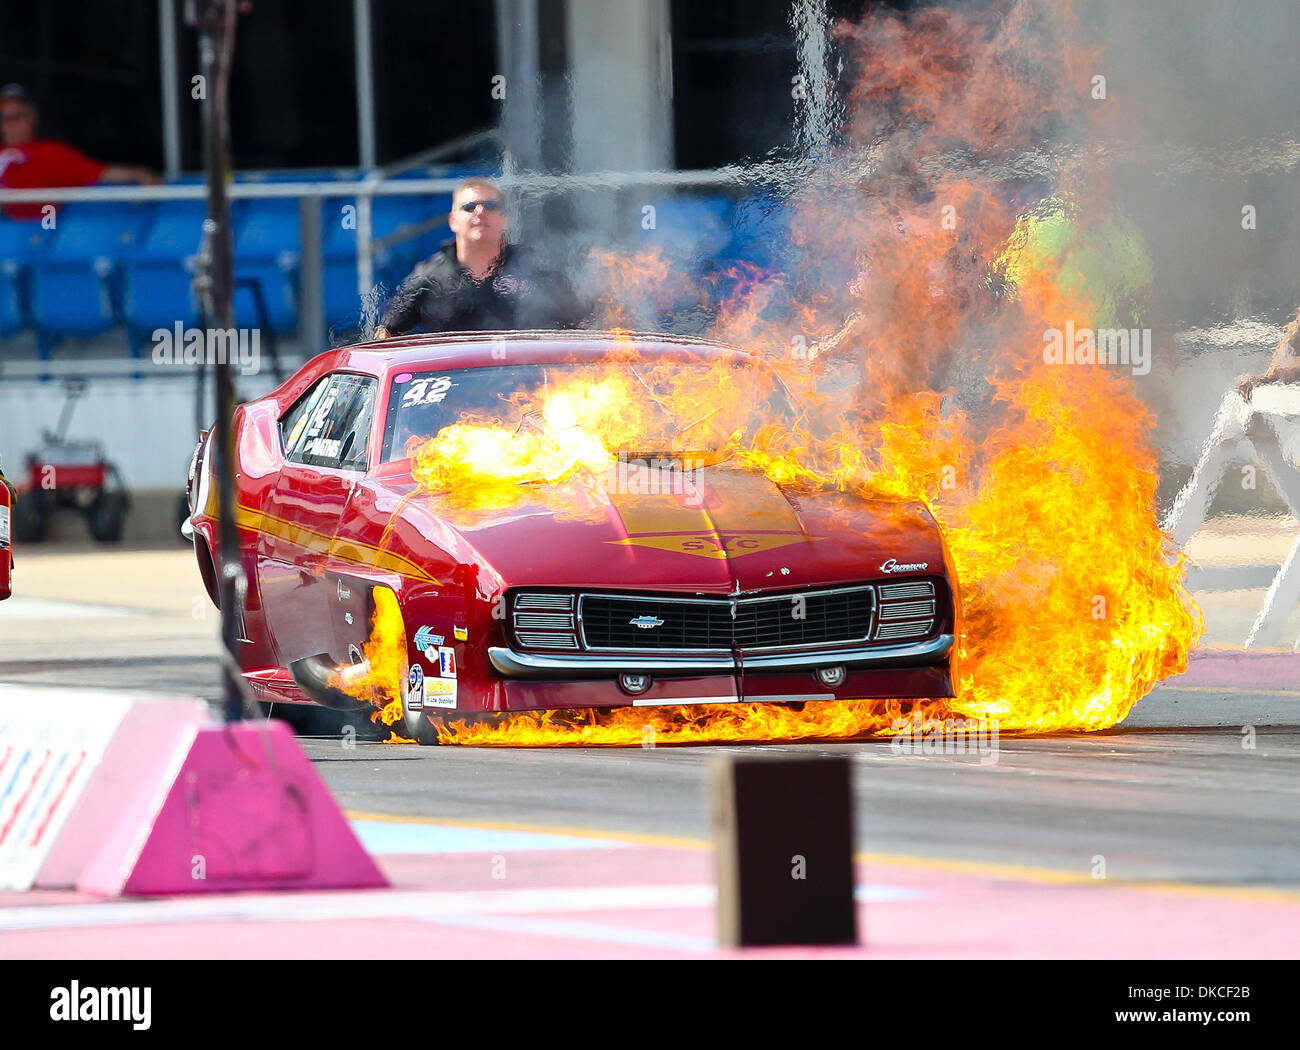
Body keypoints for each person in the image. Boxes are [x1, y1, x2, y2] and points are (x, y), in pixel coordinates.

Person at [374, 177, 585, 337]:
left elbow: (582, 326)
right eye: (469, 207)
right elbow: (385, 335)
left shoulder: (536, 270)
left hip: (527, 390)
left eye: (491, 206)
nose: (480, 211)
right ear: (453, 220)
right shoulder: (428, 278)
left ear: (506, 219)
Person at [0, 83, 161, 221]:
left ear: (33, 117)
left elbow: (103, 173)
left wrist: (141, 174)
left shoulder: (51, 153)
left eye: (15, 117)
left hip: (37, 232)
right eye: (3, 118)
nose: (8, 125)